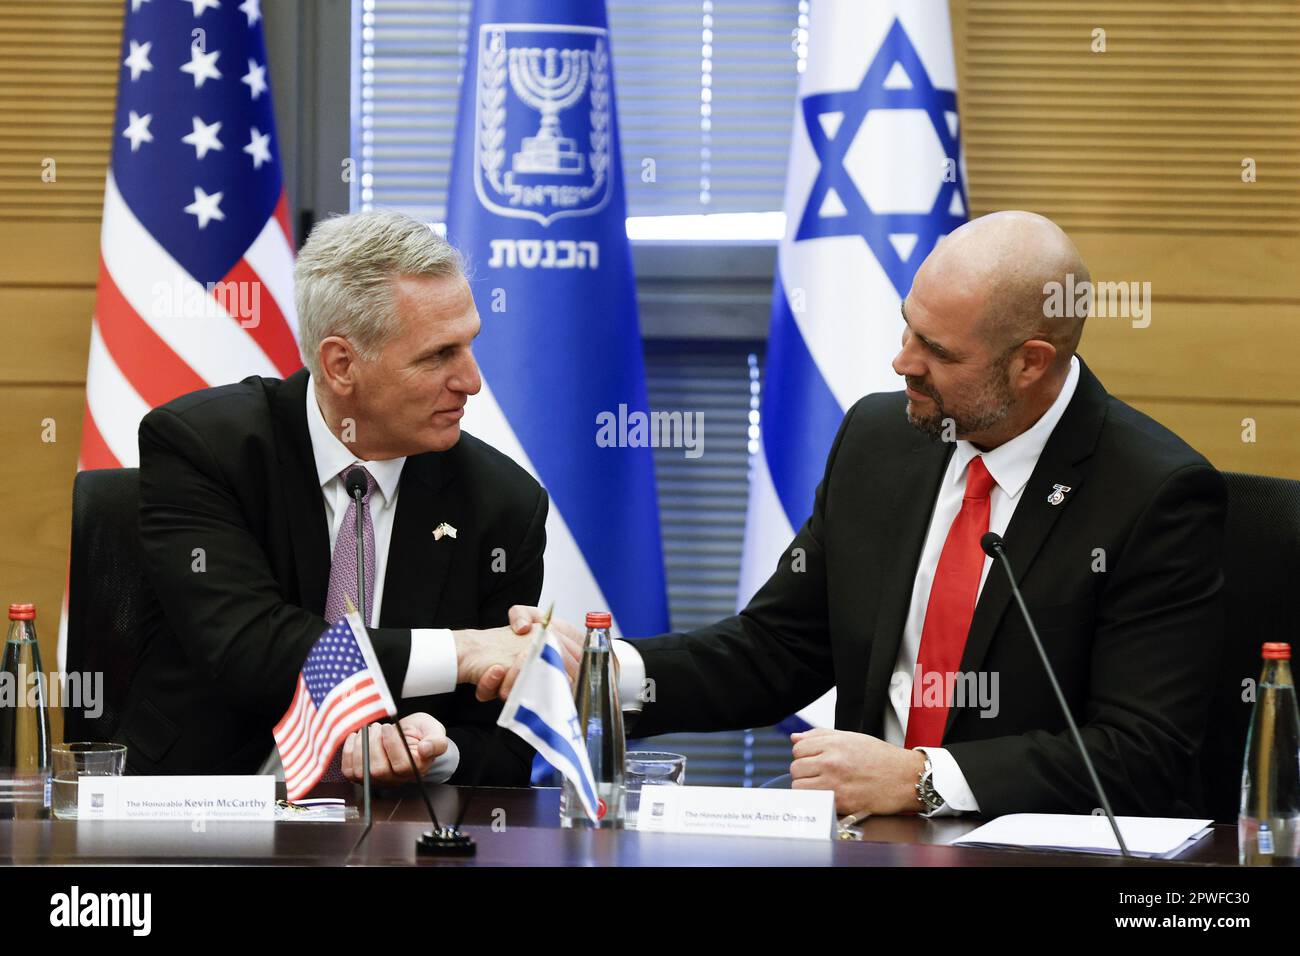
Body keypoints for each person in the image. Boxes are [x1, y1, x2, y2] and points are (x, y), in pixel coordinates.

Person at [493, 210, 1227, 818]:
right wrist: (604, 669)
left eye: (936, 349)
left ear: (1031, 362)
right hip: (868, 846)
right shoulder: (883, 440)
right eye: (908, 326)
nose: (901, 360)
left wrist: (923, 779)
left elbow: (1142, 752)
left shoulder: (1153, 494)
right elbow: (774, 652)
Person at [118, 210, 577, 785]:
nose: (472, 380)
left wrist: (440, 755)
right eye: (438, 355)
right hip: (205, 808)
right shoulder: (207, 448)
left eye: (469, 345)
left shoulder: (502, 503)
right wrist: (458, 652)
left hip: (396, 828)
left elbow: (507, 746)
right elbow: (253, 649)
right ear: (341, 366)